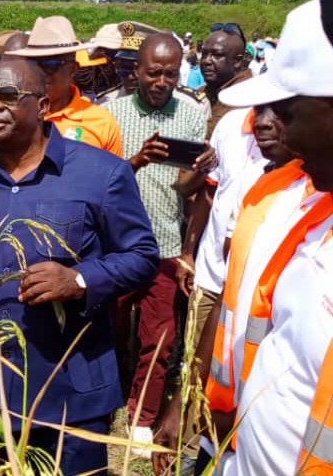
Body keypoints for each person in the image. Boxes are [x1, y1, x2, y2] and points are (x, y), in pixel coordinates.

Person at [0, 58, 159, 474]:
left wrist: (78, 279)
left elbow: (143, 256)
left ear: (41, 106)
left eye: (7, 96)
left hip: (72, 393)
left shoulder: (100, 173)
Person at [153, 0, 333, 476]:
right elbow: (240, 316)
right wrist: (188, 405)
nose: (272, 126)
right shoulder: (285, 201)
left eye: (288, 110)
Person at [103, 33, 210, 457]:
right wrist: (138, 160)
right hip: (115, 245)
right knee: (107, 330)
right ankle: (107, 400)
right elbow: (101, 183)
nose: (162, 80)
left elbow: (186, 189)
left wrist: (200, 171)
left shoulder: (190, 115)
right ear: (137, 70)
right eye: (154, 72)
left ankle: (142, 418)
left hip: (164, 245)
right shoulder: (110, 114)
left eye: (171, 72)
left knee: (160, 339)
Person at [5, 16, 124, 157]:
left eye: (50, 66)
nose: (40, 73)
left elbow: (111, 176)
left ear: (72, 69)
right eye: (33, 65)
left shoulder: (101, 122)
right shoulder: (10, 115)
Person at [199, 22, 252, 134]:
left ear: (238, 61)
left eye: (217, 55)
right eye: (204, 54)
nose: (206, 61)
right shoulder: (203, 91)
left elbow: (206, 135)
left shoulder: (246, 96)